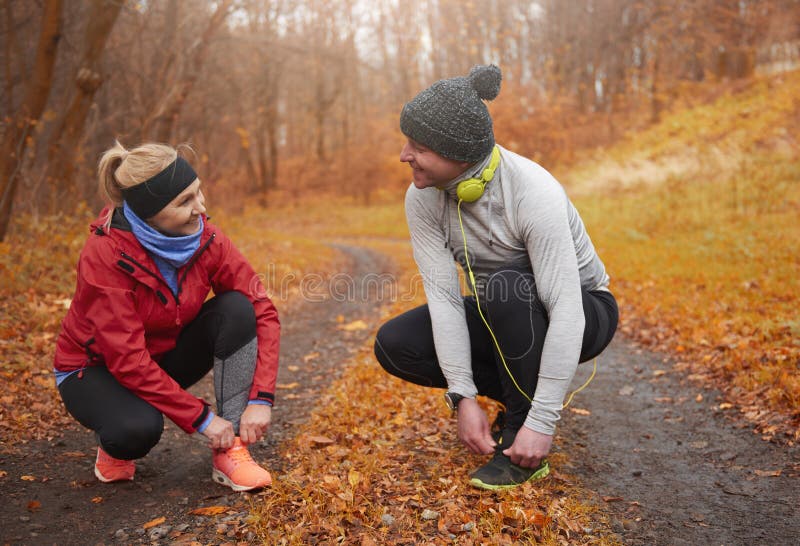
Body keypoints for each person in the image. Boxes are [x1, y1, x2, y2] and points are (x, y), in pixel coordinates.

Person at [374, 65, 618, 490]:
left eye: (418, 146)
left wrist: (542, 421)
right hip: (502, 310)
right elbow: (446, 301)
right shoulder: (422, 197)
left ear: (460, 155)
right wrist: (462, 396)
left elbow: (566, 309)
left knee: (505, 285)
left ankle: (525, 443)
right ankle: (515, 399)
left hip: (583, 309)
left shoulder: (531, 191)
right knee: (394, 344)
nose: (403, 155)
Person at [53, 142, 280, 492]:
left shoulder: (209, 239)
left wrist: (260, 399)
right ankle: (115, 441)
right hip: (94, 368)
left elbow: (263, 310)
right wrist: (202, 419)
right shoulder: (105, 255)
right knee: (136, 430)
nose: (200, 208)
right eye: (185, 202)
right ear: (149, 212)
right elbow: (126, 359)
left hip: (159, 357)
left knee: (237, 307)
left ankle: (231, 449)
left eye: (198, 192)